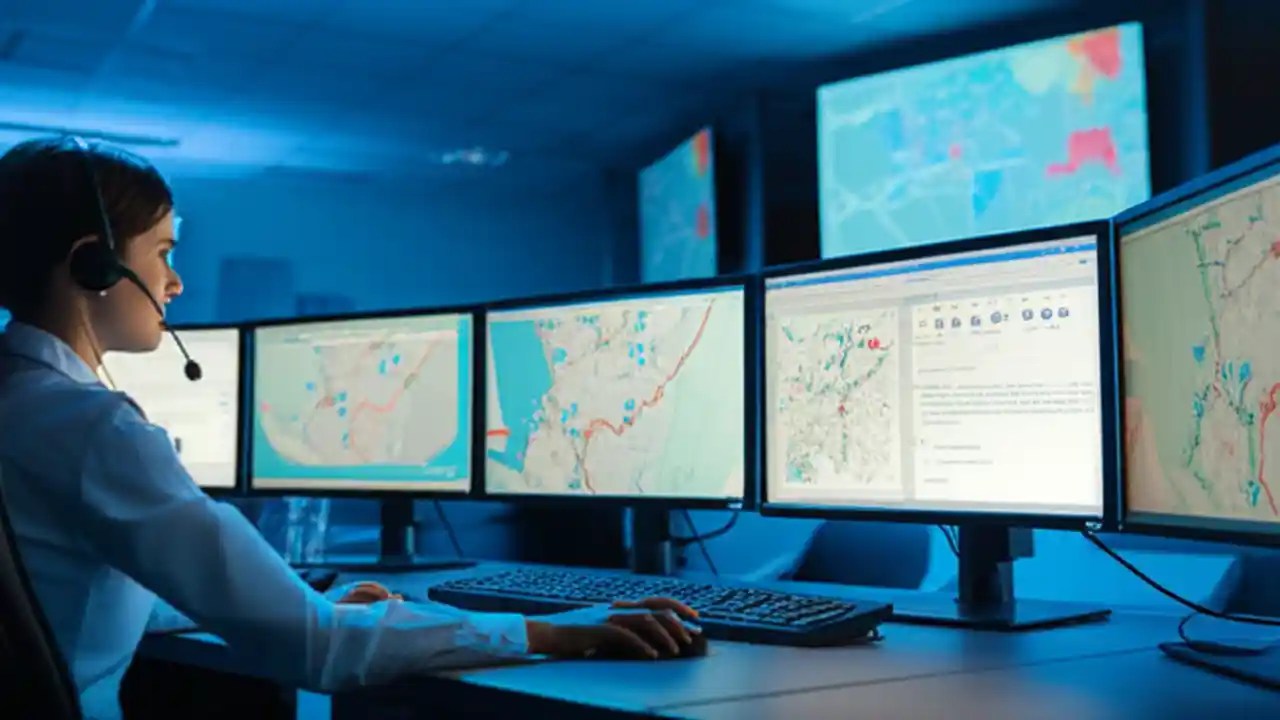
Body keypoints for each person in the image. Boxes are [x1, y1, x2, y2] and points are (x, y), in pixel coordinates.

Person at [0, 137, 701, 719]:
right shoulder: (95, 431)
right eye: (163, 253)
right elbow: (321, 651)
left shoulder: (23, 405)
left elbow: (80, 596)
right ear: (94, 265)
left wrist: (298, 603)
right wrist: (555, 631)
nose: (175, 283)